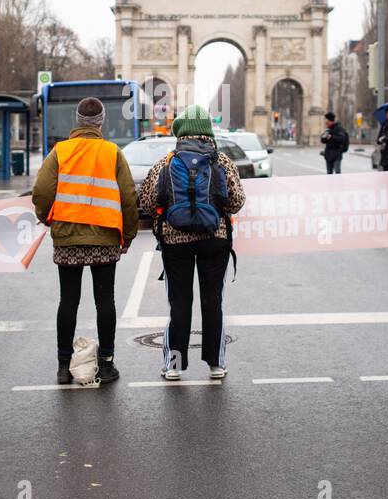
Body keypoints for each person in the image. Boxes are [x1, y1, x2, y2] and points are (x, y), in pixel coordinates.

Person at [32, 97, 138, 385]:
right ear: (101, 122)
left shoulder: (60, 151)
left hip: (67, 238)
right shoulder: (112, 152)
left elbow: (41, 190)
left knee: (68, 300)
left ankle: (63, 366)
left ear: (77, 121)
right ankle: (106, 364)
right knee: (105, 299)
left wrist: (46, 217)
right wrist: (127, 235)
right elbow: (128, 197)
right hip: (105, 238)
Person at [139, 105, 245, 381]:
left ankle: (174, 366)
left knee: (180, 303)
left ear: (180, 132)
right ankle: (215, 365)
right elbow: (237, 201)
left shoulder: (166, 161)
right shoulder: (222, 162)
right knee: (213, 302)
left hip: (176, 243)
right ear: (208, 132)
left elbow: (148, 202)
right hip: (214, 240)